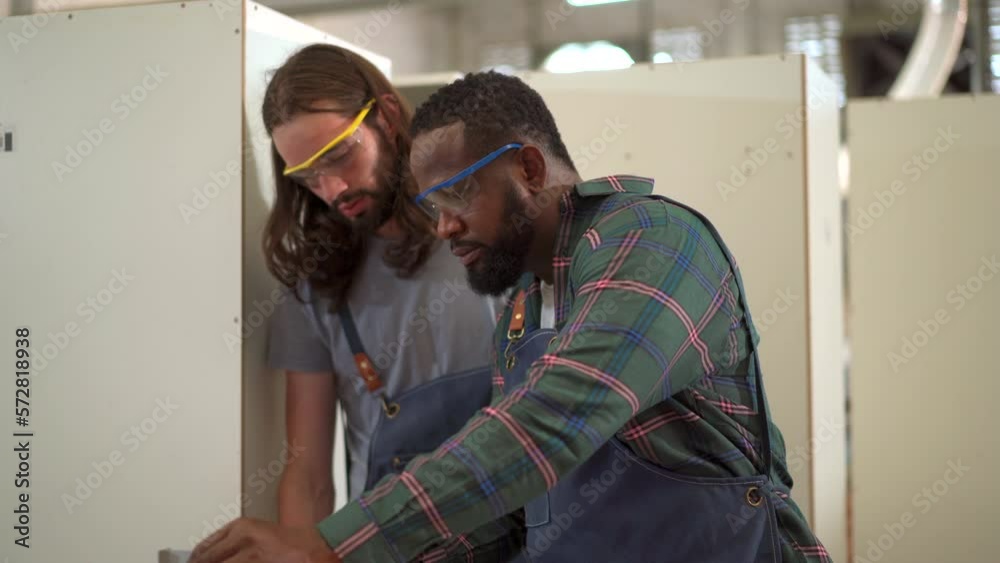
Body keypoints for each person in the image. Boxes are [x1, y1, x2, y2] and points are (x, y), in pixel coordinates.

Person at [192, 71, 830, 562]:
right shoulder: (524, 309)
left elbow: (557, 419)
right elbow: (512, 512)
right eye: (429, 203)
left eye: (456, 195)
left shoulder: (654, 239)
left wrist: (332, 543)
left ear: (527, 168)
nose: (442, 225)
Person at [255, 47, 518, 560]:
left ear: (387, 116)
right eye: (307, 177)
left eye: (338, 156)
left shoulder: (491, 233)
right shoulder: (316, 287)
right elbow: (308, 478)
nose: (331, 189)